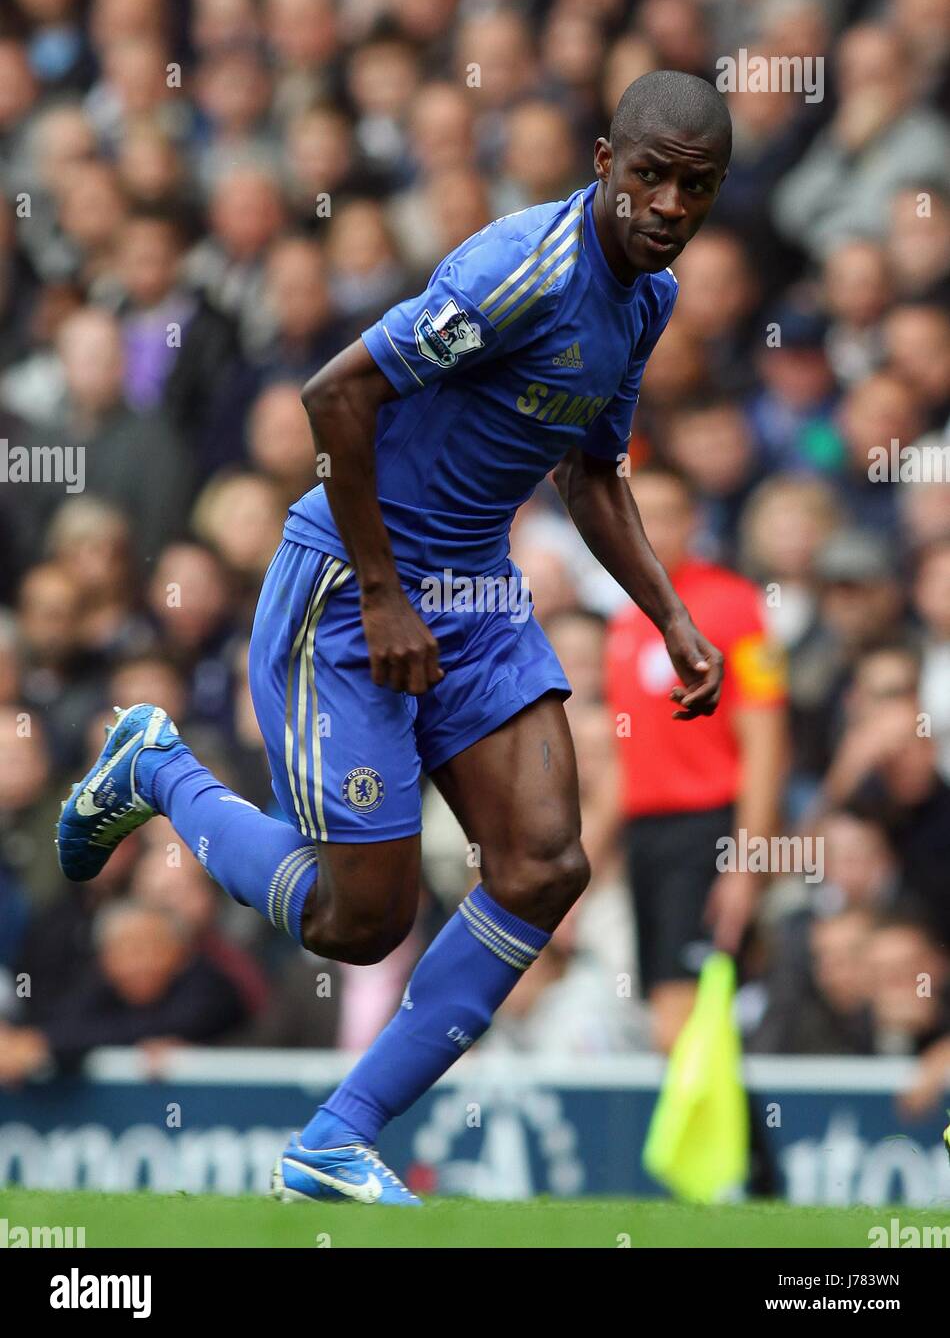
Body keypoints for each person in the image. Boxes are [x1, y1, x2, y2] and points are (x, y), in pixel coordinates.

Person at [57, 70, 731, 1205]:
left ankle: (337, 1133)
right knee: (360, 921)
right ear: (604, 161)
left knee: (543, 863)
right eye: (650, 175)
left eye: (694, 187)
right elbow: (335, 396)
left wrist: (668, 615)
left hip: (472, 593)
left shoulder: (645, 301)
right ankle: (157, 767)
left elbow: (592, 471)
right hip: (350, 588)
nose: (667, 204)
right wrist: (381, 591)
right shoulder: (520, 268)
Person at [605, 466, 788, 1050]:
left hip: (706, 829)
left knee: (682, 1017)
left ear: (695, 522)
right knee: (665, 1007)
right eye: (641, 515)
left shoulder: (735, 606)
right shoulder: (628, 620)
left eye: (666, 514)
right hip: (645, 836)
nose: (652, 528)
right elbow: (622, 753)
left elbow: (766, 742)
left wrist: (745, 861)